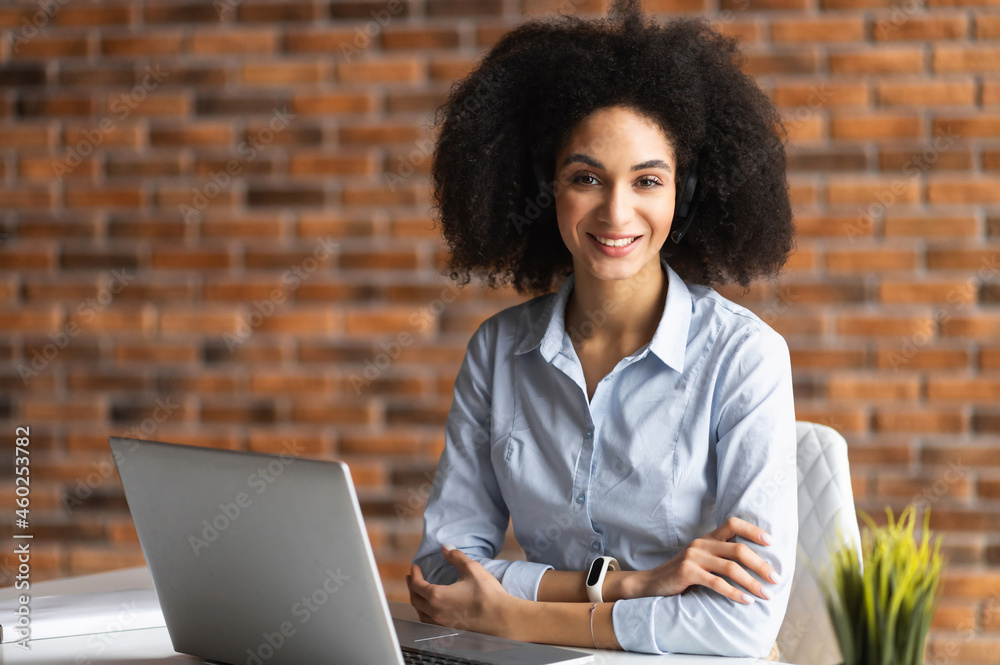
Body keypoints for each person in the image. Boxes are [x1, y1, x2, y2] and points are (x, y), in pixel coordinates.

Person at [406, 0, 797, 658]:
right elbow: (443, 575)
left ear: (684, 195)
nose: (616, 213)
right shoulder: (498, 351)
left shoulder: (744, 358)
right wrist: (627, 584)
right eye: (586, 177)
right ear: (546, 187)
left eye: (648, 180)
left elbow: (741, 624)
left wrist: (517, 616)